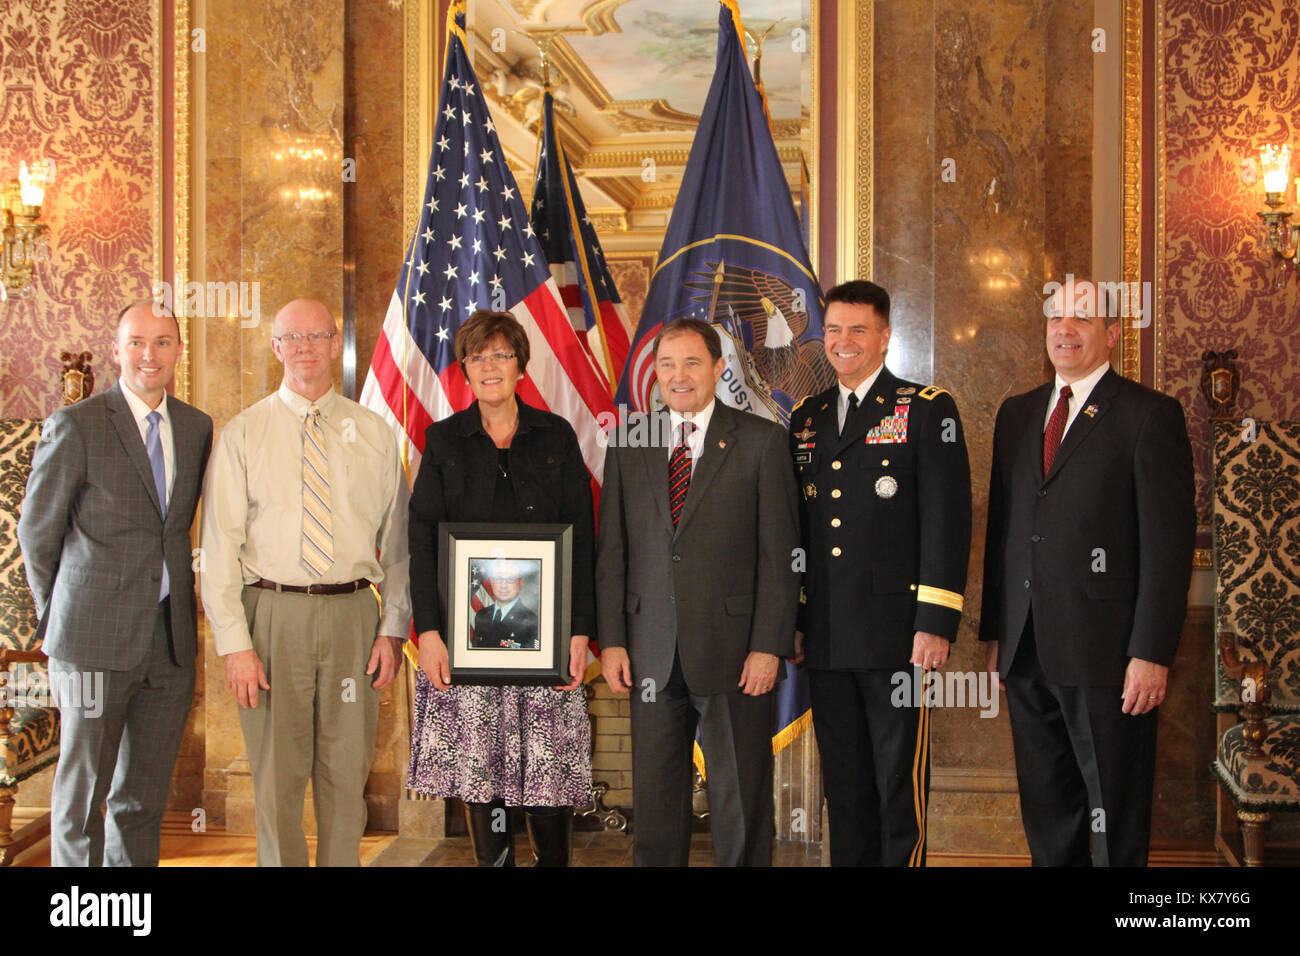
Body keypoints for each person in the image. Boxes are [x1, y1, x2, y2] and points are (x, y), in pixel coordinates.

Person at [979, 278, 1194, 866]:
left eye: (1082, 319)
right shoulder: (1018, 414)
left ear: (1113, 334)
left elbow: (1168, 549)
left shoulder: (1149, 415)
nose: (1065, 330)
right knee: (1048, 809)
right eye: (1055, 319)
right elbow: (1005, 529)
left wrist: (1150, 653)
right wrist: (998, 632)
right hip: (1026, 651)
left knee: (1113, 814)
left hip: (1109, 657)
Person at [200, 298, 411, 867]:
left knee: (347, 772)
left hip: (353, 620)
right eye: (292, 338)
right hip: (270, 618)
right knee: (276, 777)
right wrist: (236, 646)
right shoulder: (243, 434)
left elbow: (398, 550)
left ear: (335, 342)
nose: (304, 348)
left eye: (317, 336)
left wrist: (392, 630)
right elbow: (219, 550)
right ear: (275, 348)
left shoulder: (373, 433)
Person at [596, 318, 801, 867]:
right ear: (655, 373)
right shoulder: (629, 440)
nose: (678, 376)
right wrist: (612, 641)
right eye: (667, 364)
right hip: (650, 650)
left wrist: (768, 646)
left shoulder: (762, 440)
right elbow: (612, 552)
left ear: (717, 367)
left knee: (741, 798)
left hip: (736, 653)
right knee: (656, 801)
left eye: (691, 363)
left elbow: (780, 558)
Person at [19, 300, 213, 866]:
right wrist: (62, 621)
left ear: (178, 350)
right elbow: (37, 536)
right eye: (136, 342)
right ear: (116, 350)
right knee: (82, 796)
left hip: (169, 642)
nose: (148, 354)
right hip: (89, 642)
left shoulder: (196, 427)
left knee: (142, 799)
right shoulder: (75, 424)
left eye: (161, 342)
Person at [790, 280, 971, 867]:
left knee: (898, 788)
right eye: (834, 329)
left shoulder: (926, 408)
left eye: (857, 330)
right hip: (826, 636)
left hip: (899, 636)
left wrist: (936, 622)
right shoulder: (808, 417)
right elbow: (799, 529)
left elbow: (947, 521)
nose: (843, 341)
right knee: (844, 789)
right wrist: (794, 619)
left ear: (885, 335)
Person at [407, 310, 593, 867]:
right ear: (464, 368)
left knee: (547, 770)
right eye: (478, 356)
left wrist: (580, 630)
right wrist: (430, 633)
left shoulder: (555, 435)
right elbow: (422, 543)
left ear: (521, 366)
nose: (490, 366)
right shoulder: (443, 440)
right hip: (466, 642)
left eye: (501, 355)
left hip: (548, 640)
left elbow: (583, 538)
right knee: (480, 770)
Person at [471, 562, 539, 650]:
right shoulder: (481, 615)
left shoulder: (532, 623)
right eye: (498, 579)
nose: (503, 585)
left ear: (521, 583)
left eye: (510, 579)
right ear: (491, 582)